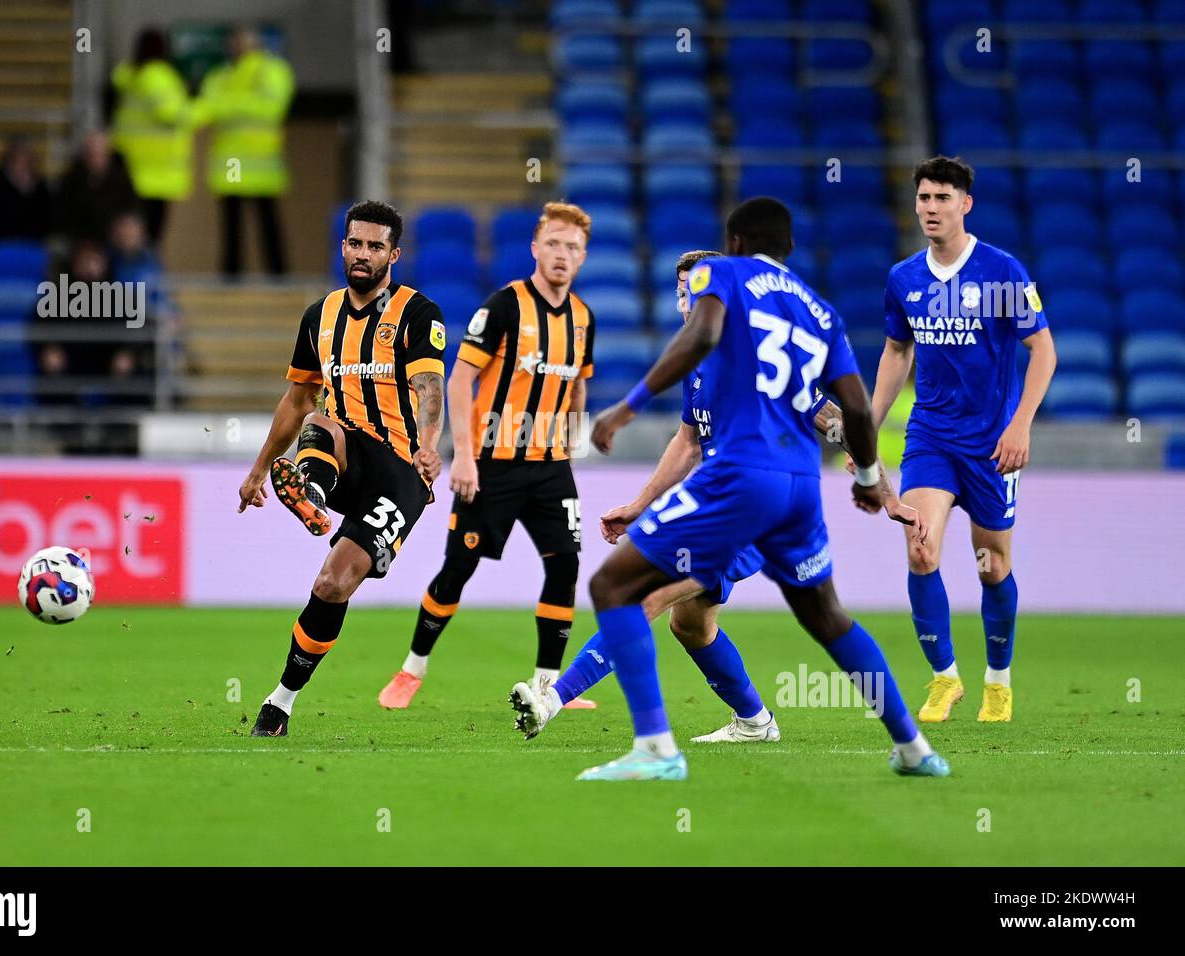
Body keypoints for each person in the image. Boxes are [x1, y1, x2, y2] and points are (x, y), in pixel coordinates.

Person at [550, 197, 948, 782]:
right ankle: (913, 747)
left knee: (616, 584)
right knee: (829, 617)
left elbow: (700, 333)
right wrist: (870, 480)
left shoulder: (723, 276)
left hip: (738, 476)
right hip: (798, 487)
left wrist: (627, 407)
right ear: (787, 247)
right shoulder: (820, 311)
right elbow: (858, 408)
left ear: (734, 242)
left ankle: (656, 749)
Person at [237, 200, 447, 737]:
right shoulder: (319, 317)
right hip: (343, 454)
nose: (363, 253)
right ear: (343, 245)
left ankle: (279, 702)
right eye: (355, 242)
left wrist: (428, 445)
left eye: (375, 246)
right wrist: (260, 468)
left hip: (401, 472)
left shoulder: (417, 314)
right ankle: (307, 487)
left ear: (393, 254)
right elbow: (294, 400)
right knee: (324, 421)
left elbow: (429, 389)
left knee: (334, 583)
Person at [377, 202, 598, 711]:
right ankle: (413, 668)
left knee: (565, 564)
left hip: (550, 468)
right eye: (554, 244)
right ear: (535, 249)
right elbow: (459, 379)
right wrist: (464, 456)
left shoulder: (584, 319)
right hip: (491, 466)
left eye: (573, 248)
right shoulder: (503, 307)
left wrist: (573, 439)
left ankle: (548, 686)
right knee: (459, 568)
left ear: (583, 258)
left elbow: (578, 387)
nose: (562, 255)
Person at [871, 156, 1057, 724]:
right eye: (924, 198)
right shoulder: (905, 278)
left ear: (964, 205)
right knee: (920, 547)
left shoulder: (1001, 273)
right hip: (930, 436)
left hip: (992, 443)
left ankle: (997, 682)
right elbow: (897, 352)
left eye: (942, 198)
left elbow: (1043, 351)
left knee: (991, 566)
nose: (930, 208)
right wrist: (867, 427)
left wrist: (1020, 423)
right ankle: (943, 680)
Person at [198, 26, 294, 276]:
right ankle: (231, 276)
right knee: (231, 224)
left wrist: (228, 104)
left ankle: (278, 275)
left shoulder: (271, 70)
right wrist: (240, 103)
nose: (236, 47)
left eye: (241, 41)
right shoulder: (221, 75)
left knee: (267, 221)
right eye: (233, 42)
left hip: (261, 161)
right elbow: (207, 106)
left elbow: (273, 107)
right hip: (230, 161)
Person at [111, 28, 195, 245]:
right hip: (157, 172)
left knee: (133, 234)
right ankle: (144, 276)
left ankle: (134, 276)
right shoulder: (157, 76)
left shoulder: (131, 77)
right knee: (150, 238)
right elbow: (173, 114)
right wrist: (209, 106)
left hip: (131, 168)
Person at [54, 130, 140, 246]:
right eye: (91, 153)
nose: (95, 159)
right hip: (80, 240)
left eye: (100, 154)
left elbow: (131, 209)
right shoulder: (71, 180)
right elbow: (63, 216)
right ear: (84, 155)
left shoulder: (121, 178)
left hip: (114, 238)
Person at [0, 136, 53, 246]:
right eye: (19, 158)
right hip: (2, 243)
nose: (22, 163)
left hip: (32, 243)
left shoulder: (40, 187)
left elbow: (47, 219)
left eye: (26, 158)